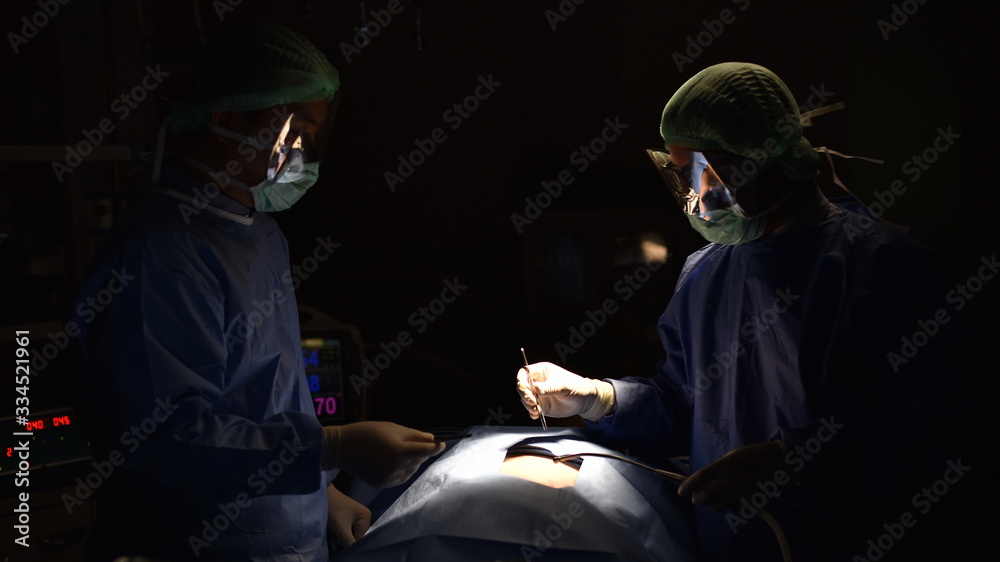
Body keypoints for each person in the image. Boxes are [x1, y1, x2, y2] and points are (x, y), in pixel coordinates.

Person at [516, 63, 984, 562]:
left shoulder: (887, 269)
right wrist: (598, 398)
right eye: (682, 176)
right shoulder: (704, 275)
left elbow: (943, 426)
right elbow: (685, 407)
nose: (695, 198)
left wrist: (794, 461)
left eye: (705, 173)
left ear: (762, 161)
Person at [70, 23, 443, 561]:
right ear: (226, 120)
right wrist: (331, 448)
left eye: (312, 135)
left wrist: (323, 494)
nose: (302, 152)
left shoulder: (258, 233)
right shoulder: (163, 255)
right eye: (294, 131)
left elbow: (261, 400)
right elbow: (169, 442)